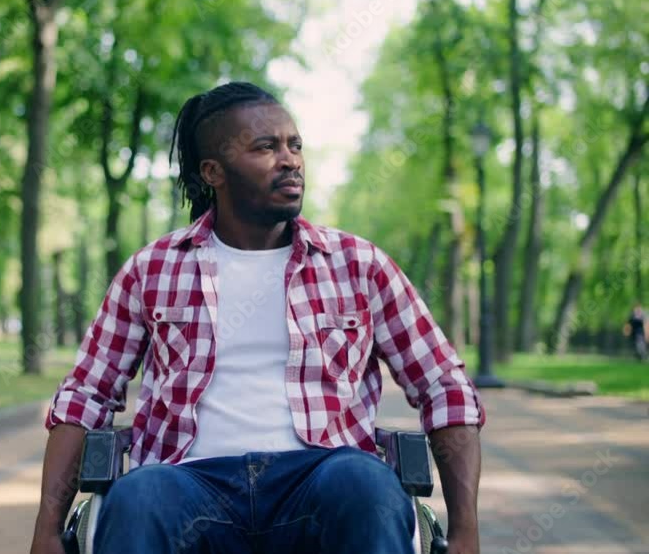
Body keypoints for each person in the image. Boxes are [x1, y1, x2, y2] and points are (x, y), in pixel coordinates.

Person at [29, 82, 486, 554]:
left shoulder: (358, 264)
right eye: (265, 147)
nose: (290, 160)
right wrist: (46, 531)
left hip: (322, 476)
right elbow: (86, 395)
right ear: (214, 172)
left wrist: (465, 533)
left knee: (366, 484)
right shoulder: (153, 269)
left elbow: (443, 386)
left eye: (295, 145)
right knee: (138, 495)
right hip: (187, 480)